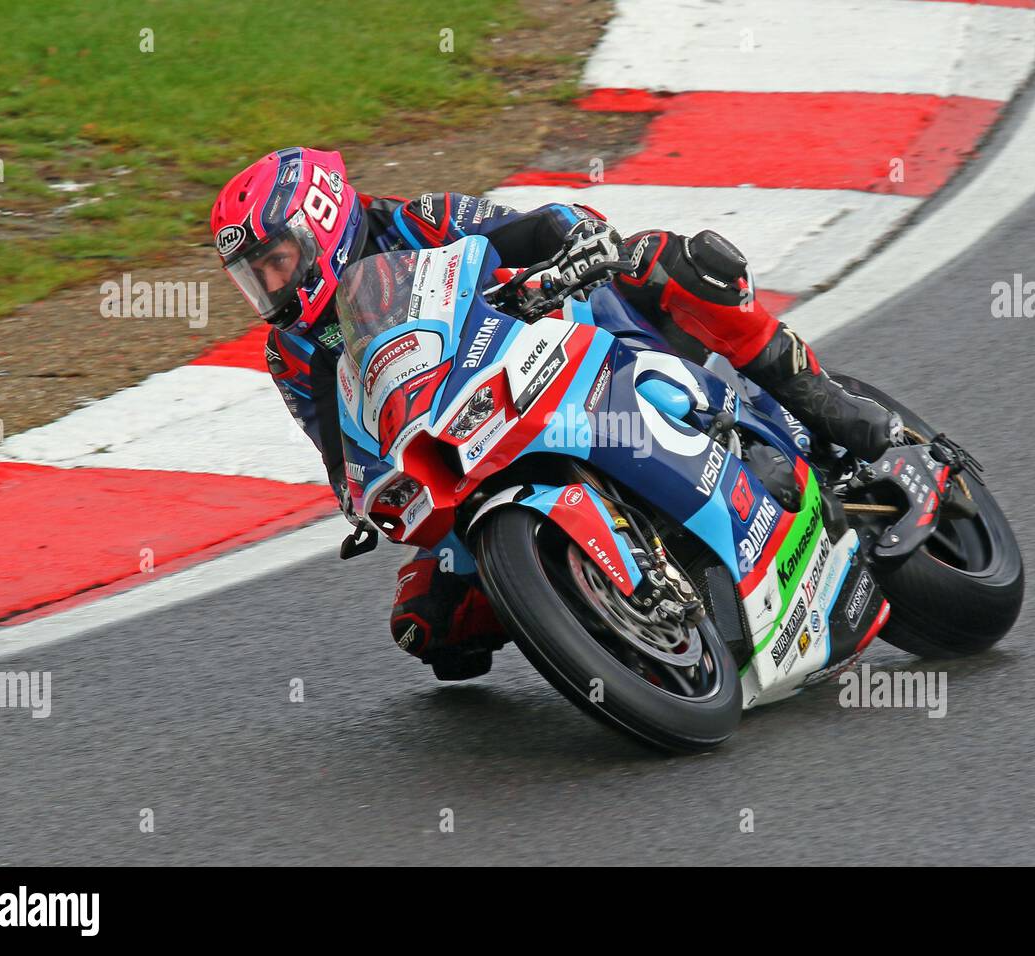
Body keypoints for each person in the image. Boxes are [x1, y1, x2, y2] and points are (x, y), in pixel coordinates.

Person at [211, 146, 898, 679]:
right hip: (463, 440)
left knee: (671, 265)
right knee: (431, 627)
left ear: (323, 223)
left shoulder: (413, 222)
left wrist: (572, 247)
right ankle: (601, 610)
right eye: (256, 277)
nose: (271, 285)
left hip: (564, 345)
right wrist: (359, 496)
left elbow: (533, 228)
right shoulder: (291, 352)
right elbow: (338, 449)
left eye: (277, 261)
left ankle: (824, 402)